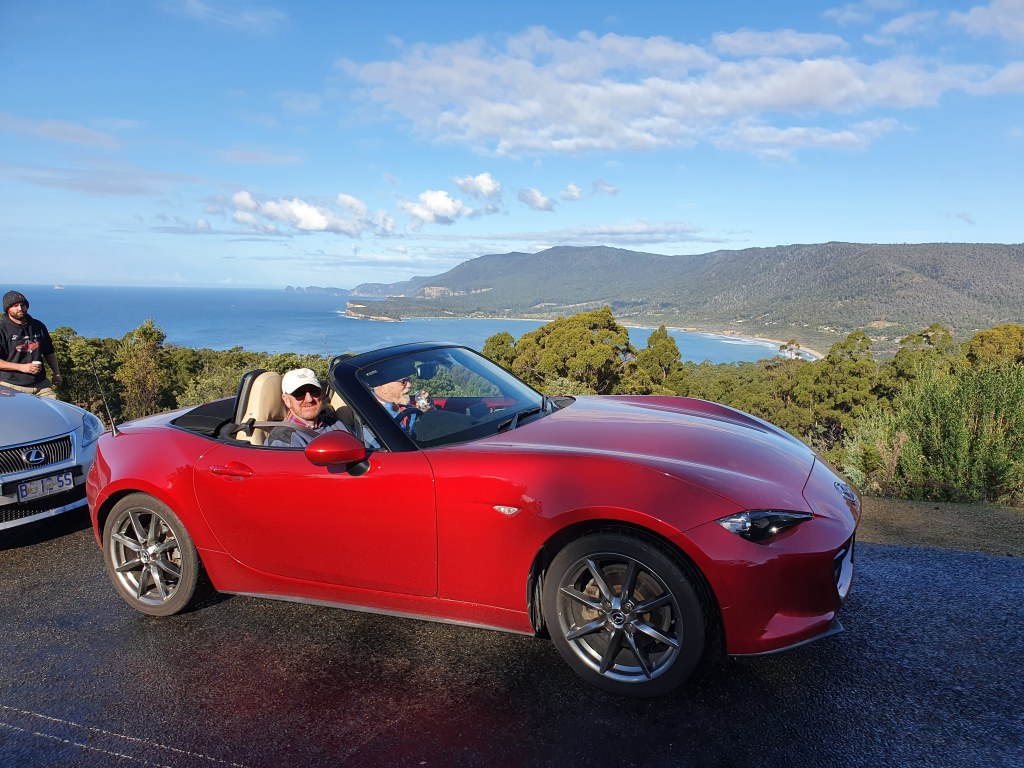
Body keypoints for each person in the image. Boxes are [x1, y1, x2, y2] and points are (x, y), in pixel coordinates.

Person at [0, 290, 62, 399]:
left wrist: (56, 373)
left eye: (22, 305)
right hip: (10, 386)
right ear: (7, 309)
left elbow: (49, 352)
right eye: (15, 305)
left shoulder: (38, 326)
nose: (20, 308)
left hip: (41, 386)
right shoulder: (2, 329)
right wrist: (22, 367)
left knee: (52, 413)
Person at [266, 368, 350, 448]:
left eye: (314, 391)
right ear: (287, 400)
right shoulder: (283, 440)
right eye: (299, 393)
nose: (309, 399)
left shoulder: (334, 423)